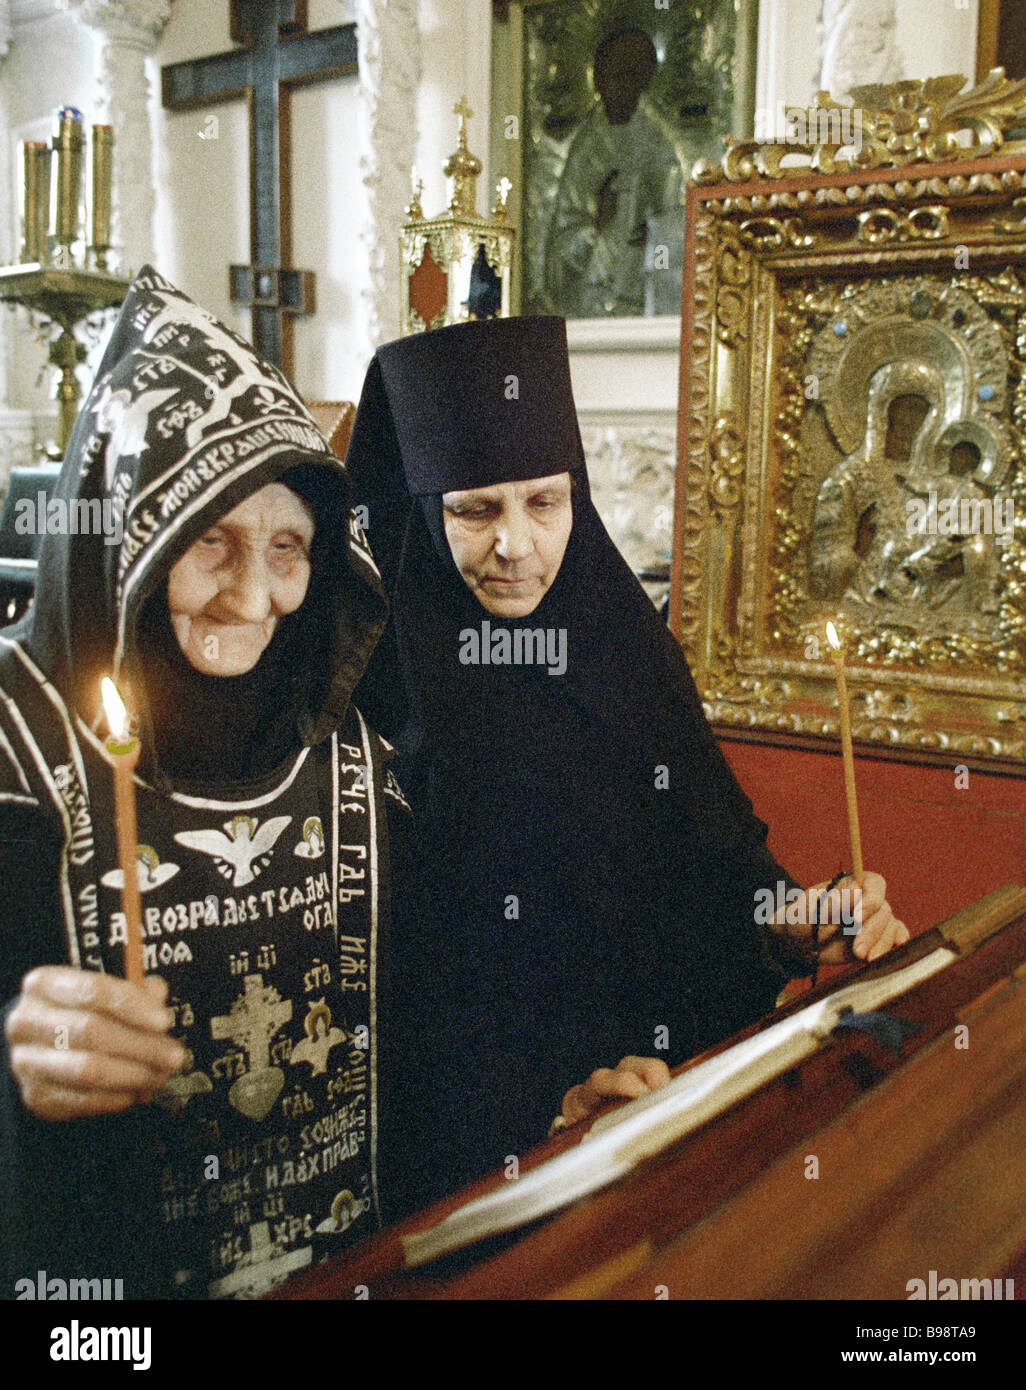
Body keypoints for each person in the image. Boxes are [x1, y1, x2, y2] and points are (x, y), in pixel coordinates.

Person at [346, 314, 908, 1210]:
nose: (516, 545)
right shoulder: (372, 696)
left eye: (544, 500)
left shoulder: (629, 651)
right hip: (486, 1155)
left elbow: (717, 860)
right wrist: (550, 1111)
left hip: (671, 1105)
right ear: (422, 515)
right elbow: (390, 1004)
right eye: (475, 509)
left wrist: (794, 916)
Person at [0, 268, 414, 1299]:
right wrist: (18, 1063)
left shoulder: (350, 750)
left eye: (288, 550)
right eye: (211, 542)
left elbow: (427, 1022)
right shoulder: (13, 751)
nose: (253, 596)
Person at [544, 27, 687, 316]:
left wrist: (655, 239)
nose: (625, 85)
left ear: (647, 80)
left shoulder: (657, 147)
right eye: (617, 74)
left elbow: (677, 229)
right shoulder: (584, 150)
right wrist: (593, 229)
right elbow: (556, 261)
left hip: (637, 301)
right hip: (587, 305)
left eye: (634, 75)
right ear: (598, 78)